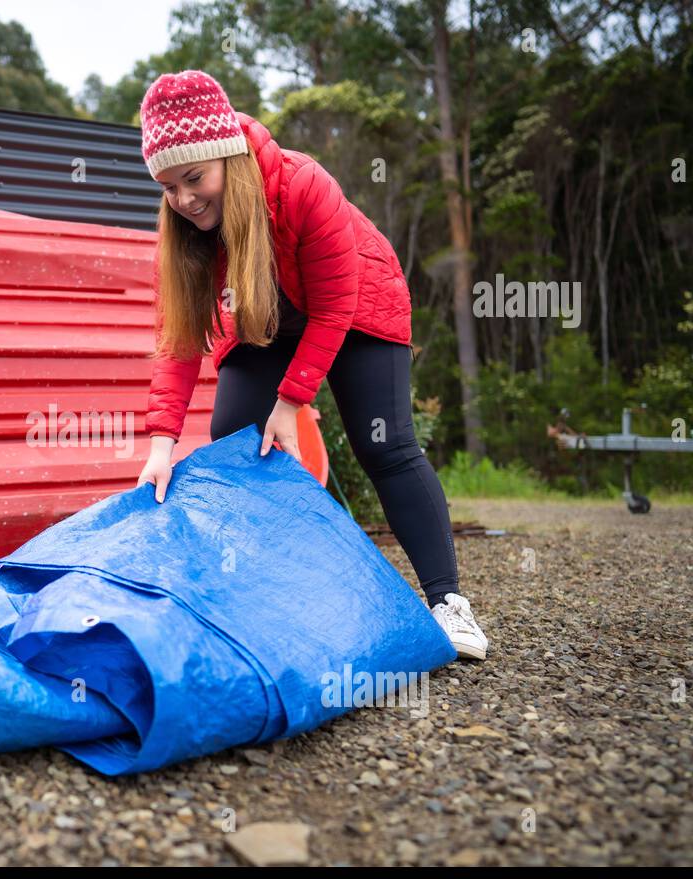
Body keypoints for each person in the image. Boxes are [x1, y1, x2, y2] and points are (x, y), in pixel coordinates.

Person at [133, 69, 489, 660]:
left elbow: (333, 307)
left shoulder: (302, 184)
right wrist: (160, 446)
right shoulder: (184, 230)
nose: (184, 200)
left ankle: (449, 604)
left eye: (194, 179)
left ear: (227, 156)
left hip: (355, 308)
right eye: (168, 187)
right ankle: (273, 597)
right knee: (236, 434)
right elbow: (177, 343)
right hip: (267, 317)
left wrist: (293, 402)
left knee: (386, 446)